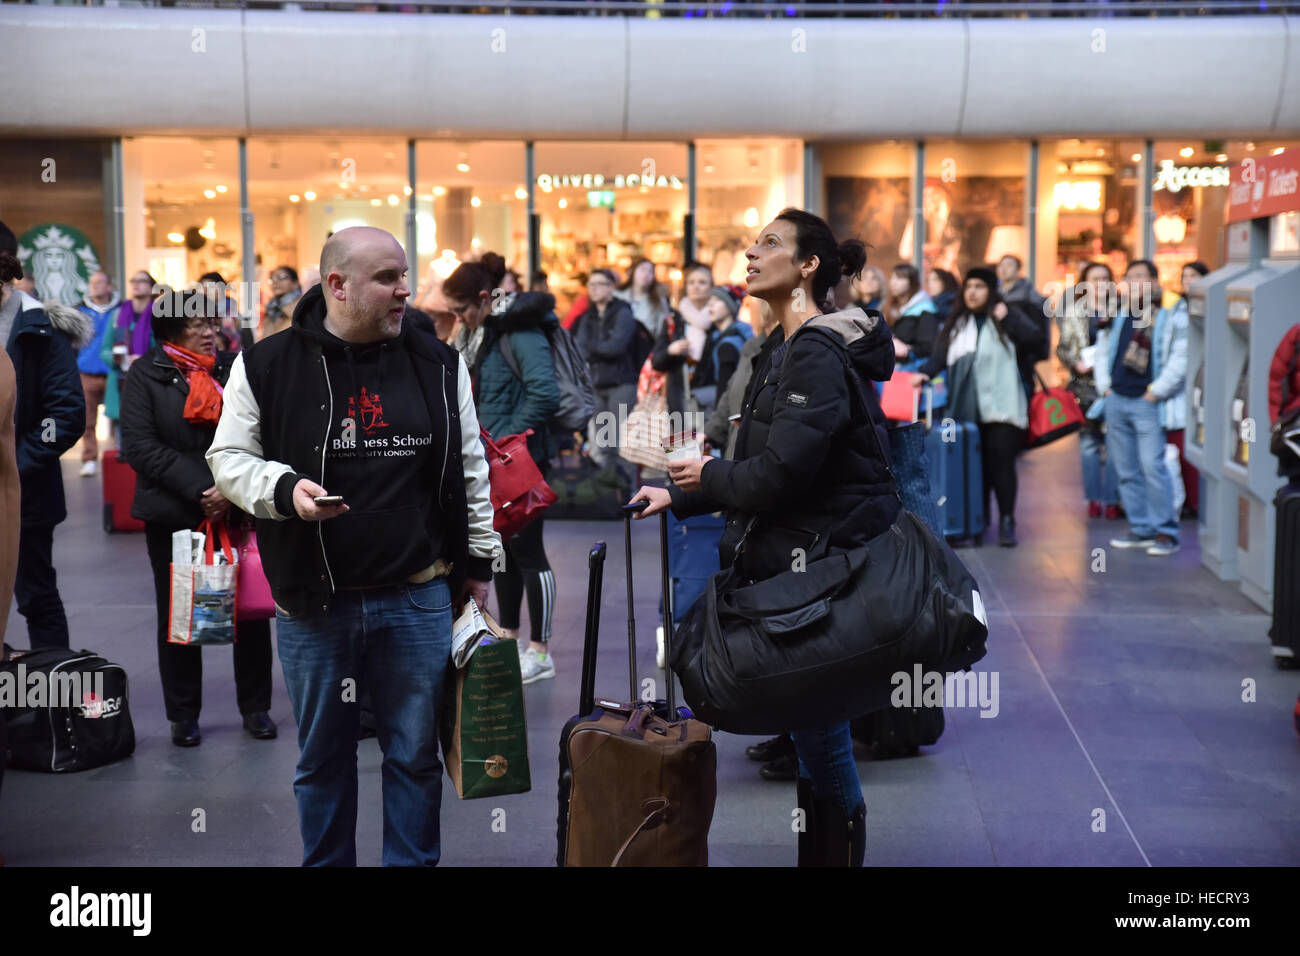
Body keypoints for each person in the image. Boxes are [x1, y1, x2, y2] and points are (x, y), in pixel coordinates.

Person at [208, 226, 499, 866]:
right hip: (316, 606)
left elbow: (471, 466)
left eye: (405, 275)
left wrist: (479, 563)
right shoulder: (266, 364)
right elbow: (227, 458)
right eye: (388, 278)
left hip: (419, 598)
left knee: (416, 758)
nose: (406, 290)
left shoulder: (438, 361)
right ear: (337, 285)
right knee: (322, 763)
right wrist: (285, 490)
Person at [631, 208, 899, 867]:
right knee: (815, 733)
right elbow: (774, 458)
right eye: (753, 242)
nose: (751, 255)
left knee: (822, 737)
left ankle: (834, 855)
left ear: (809, 266)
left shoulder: (813, 349)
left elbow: (781, 475)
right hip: (804, 566)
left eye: (770, 244)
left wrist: (709, 474)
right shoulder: (792, 345)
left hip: (817, 570)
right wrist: (686, 488)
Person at [118, 289, 275, 748]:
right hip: (176, 513)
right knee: (180, 612)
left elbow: (260, 430)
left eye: (213, 323)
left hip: (237, 508)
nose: (211, 333)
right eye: (199, 325)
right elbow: (142, 446)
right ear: (169, 331)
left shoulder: (234, 366)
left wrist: (229, 490)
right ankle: (183, 714)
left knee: (250, 610)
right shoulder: (146, 373)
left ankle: (256, 707)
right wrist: (201, 489)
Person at [443, 252, 561, 686]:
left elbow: (544, 394)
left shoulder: (520, 332)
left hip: (522, 458)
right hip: (497, 457)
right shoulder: (481, 333)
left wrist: (507, 439)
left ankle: (541, 650)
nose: (458, 319)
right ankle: (511, 639)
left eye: (461, 310)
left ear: (482, 298)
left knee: (530, 553)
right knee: (504, 551)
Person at [0, 220, 86, 650]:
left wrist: (13, 465)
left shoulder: (38, 329)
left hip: (26, 498)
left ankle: (54, 708)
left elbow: (64, 416)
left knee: (36, 598)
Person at [914, 266, 1046, 547]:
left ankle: (1008, 520)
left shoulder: (1004, 315)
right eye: (969, 286)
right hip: (966, 407)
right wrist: (922, 374)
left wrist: (1008, 318)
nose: (973, 292)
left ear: (991, 291)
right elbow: (938, 358)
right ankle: (977, 520)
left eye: (980, 287)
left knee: (1001, 464)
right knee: (974, 466)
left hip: (1003, 404)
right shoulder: (956, 322)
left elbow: (1037, 342)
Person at [1097, 259, 1184, 557]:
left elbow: (1180, 355)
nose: (1134, 282)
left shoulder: (1171, 310)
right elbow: (1103, 348)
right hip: (1117, 398)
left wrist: (1156, 392)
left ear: (1154, 280)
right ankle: (1141, 528)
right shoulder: (1121, 311)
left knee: (1153, 466)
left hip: (1147, 402)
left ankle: (1165, 531)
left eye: (1140, 277)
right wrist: (1105, 387)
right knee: (1125, 468)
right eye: (1129, 277)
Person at [1057, 262, 1121, 519]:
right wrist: (1075, 363)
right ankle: (1094, 499)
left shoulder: (1123, 309)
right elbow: (1062, 348)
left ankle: (1114, 499)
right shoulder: (1074, 312)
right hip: (1084, 386)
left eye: (1105, 278)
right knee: (1089, 446)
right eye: (1095, 279)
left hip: (1114, 386)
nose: (1100, 284)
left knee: (1116, 444)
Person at [574, 268, 640, 488]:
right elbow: (579, 348)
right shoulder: (588, 316)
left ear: (611, 287)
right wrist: (597, 348)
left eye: (599, 284)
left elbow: (616, 346)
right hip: (597, 383)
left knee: (622, 440)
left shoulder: (623, 312)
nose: (593, 289)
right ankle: (608, 492)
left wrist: (594, 348)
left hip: (622, 383)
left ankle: (629, 489)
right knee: (603, 440)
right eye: (590, 285)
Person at [1166, 260, 1209, 519]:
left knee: (1191, 449)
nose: (1188, 280)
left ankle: (1195, 501)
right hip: (1180, 392)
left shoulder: (1206, 307)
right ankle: (1185, 500)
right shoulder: (1176, 308)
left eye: (1194, 275)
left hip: (1197, 384)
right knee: (1180, 450)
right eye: (1185, 276)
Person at [101, 270, 158, 441]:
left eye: (142, 281)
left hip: (149, 379)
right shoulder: (117, 315)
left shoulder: (158, 315)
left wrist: (144, 359)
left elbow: (165, 348)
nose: (136, 284)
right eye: (134, 280)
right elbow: (104, 350)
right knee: (122, 439)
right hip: (121, 382)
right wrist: (116, 358)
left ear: (152, 288)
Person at [75, 270, 121, 477]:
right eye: (92, 282)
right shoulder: (80, 310)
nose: (94, 286)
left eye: (100, 282)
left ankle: (118, 454)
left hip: (114, 372)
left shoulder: (121, 310)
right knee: (88, 419)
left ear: (109, 286)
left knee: (119, 417)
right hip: (87, 372)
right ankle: (89, 458)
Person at [882, 263, 939, 368]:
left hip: (912, 371)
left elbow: (928, 347)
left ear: (912, 282)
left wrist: (907, 351)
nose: (893, 282)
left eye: (899, 278)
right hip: (890, 368)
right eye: (892, 277)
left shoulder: (925, 309)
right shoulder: (890, 307)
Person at [616, 257, 671, 343]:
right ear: (632, 272)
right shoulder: (617, 296)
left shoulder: (659, 301)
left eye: (650, 271)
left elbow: (662, 332)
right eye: (642, 270)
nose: (646, 274)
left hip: (646, 348)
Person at [262, 265, 302, 340]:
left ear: (295, 283)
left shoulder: (301, 309)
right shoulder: (271, 310)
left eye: (282, 277)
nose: (275, 282)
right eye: (272, 279)